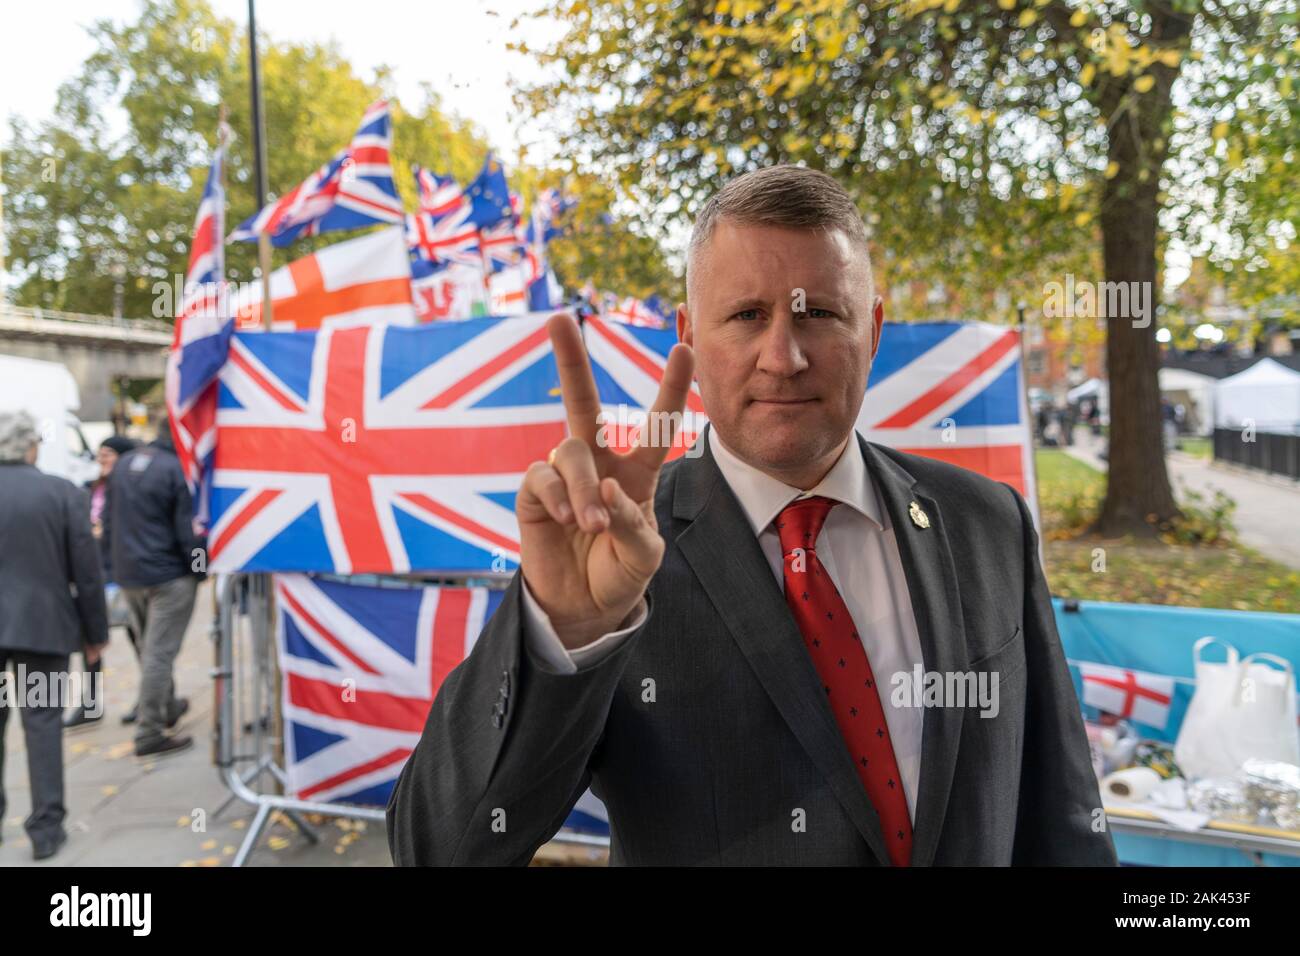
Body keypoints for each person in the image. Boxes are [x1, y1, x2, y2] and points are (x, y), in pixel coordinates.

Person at [387, 166, 1115, 866]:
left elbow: (1062, 819)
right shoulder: (618, 555)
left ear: (875, 329)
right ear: (691, 338)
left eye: (819, 313)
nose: (784, 356)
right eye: (746, 315)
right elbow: (438, 851)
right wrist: (568, 630)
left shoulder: (988, 523)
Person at [0, 411, 108, 860]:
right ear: (31, 446)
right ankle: (45, 830)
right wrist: (95, 632)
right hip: (42, 629)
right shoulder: (61, 493)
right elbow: (86, 570)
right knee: (42, 725)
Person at [104, 416, 203, 758]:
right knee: (159, 653)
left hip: (130, 575)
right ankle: (149, 733)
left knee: (151, 649)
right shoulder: (177, 470)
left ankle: (168, 707)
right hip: (168, 575)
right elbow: (188, 532)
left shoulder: (125, 463)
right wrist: (199, 570)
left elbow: (107, 520)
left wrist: (112, 568)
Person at [63, 434, 137, 731]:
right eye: (100, 454)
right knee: (90, 641)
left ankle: (156, 697)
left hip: (123, 572)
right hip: (94, 574)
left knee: (140, 638)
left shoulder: (132, 488)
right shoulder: (87, 489)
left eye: (109, 454)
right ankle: (91, 704)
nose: (102, 459)